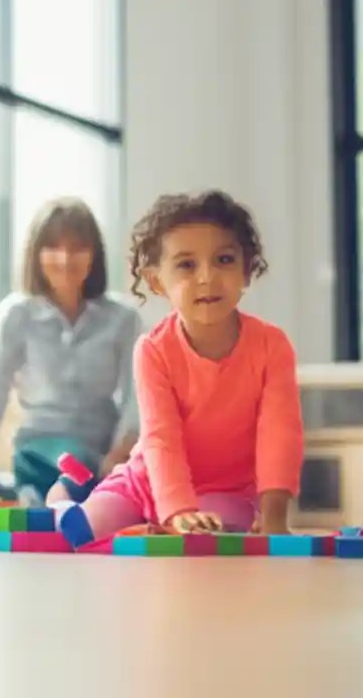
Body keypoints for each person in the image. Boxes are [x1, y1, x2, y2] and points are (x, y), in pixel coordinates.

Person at [55, 190, 304, 547]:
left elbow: (279, 435)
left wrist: (275, 516)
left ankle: (162, 524)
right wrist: (176, 509)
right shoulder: (153, 350)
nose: (207, 277)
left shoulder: (272, 346)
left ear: (246, 271)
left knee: (215, 538)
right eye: (187, 265)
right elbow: (160, 437)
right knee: (80, 530)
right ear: (157, 282)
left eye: (224, 260)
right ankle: (60, 498)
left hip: (225, 491)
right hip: (144, 483)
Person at [0, 197, 142, 507]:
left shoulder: (123, 319)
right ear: (36, 254)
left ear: (94, 255)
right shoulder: (14, 315)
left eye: (77, 248)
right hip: (40, 451)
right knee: (64, 478)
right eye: (53, 247)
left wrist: (117, 458)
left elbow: (137, 401)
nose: (65, 259)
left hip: (106, 457)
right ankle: (42, 501)